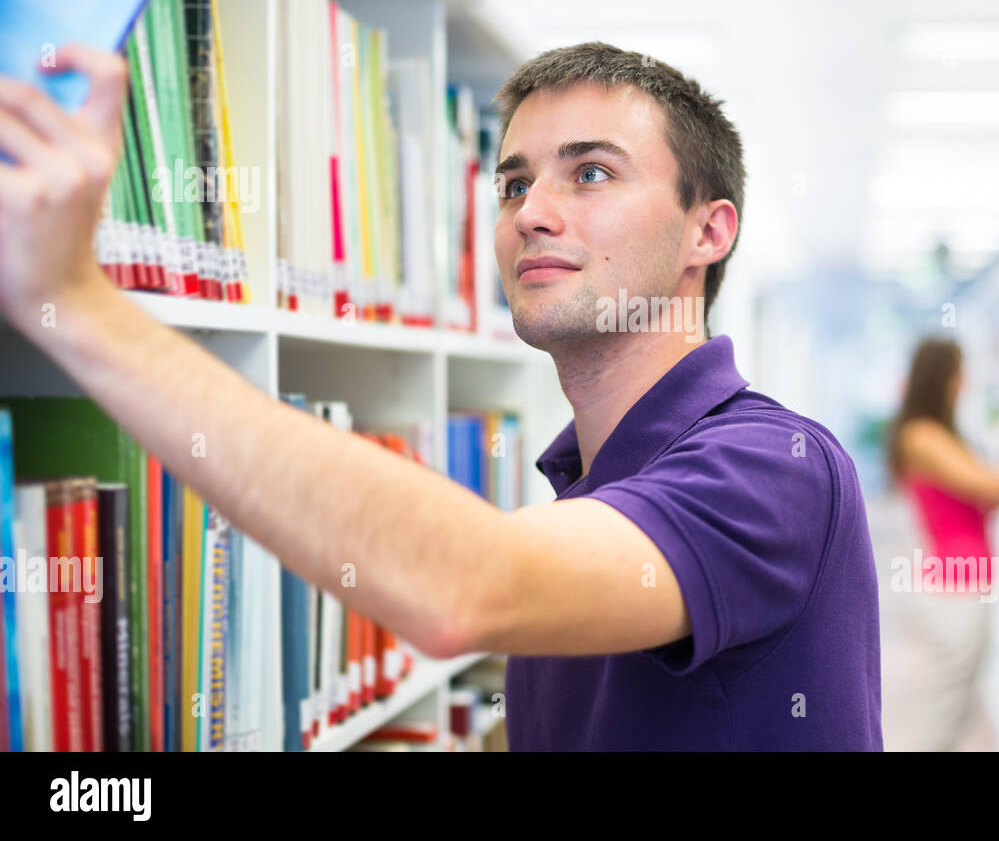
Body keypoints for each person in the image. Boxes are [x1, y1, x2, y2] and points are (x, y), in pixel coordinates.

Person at [0, 42, 882, 750]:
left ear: (709, 229)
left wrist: (74, 300)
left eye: (591, 174)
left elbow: (464, 588)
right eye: (513, 184)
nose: (532, 211)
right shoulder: (589, 485)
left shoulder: (773, 467)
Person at [885, 336, 999, 750]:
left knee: (961, 703)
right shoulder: (923, 436)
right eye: (959, 371)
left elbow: (979, 498)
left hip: (966, 582)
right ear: (942, 377)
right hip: (954, 589)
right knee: (947, 708)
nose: (964, 381)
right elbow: (992, 488)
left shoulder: (938, 434)